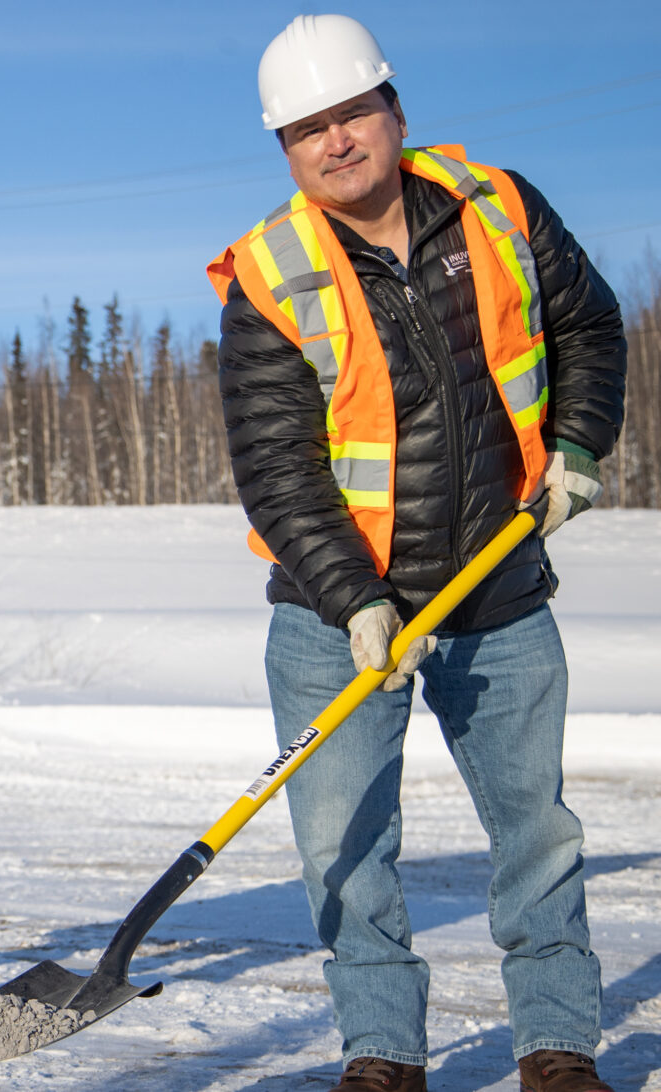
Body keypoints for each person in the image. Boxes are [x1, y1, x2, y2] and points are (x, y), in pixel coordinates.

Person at [207, 15, 625, 1092]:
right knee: (344, 851)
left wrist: (579, 445)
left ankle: (557, 1045)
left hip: (499, 589)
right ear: (286, 152)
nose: (335, 141)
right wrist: (353, 597)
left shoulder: (502, 207)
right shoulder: (270, 272)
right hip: (332, 618)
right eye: (306, 130)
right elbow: (275, 461)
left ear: (394, 110)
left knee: (536, 834)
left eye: (350, 113)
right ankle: (383, 1054)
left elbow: (588, 328)